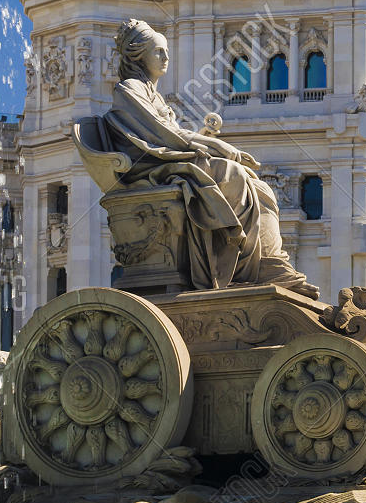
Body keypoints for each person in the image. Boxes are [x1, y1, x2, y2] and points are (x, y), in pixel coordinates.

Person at [102, 18, 317, 296]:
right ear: (138, 54)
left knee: (260, 187)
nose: (166, 57)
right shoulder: (129, 90)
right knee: (234, 174)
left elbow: (171, 134)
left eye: (166, 50)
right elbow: (163, 136)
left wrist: (207, 143)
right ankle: (243, 264)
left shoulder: (152, 94)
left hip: (171, 161)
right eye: (158, 51)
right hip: (155, 170)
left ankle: (266, 262)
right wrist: (219, 148)